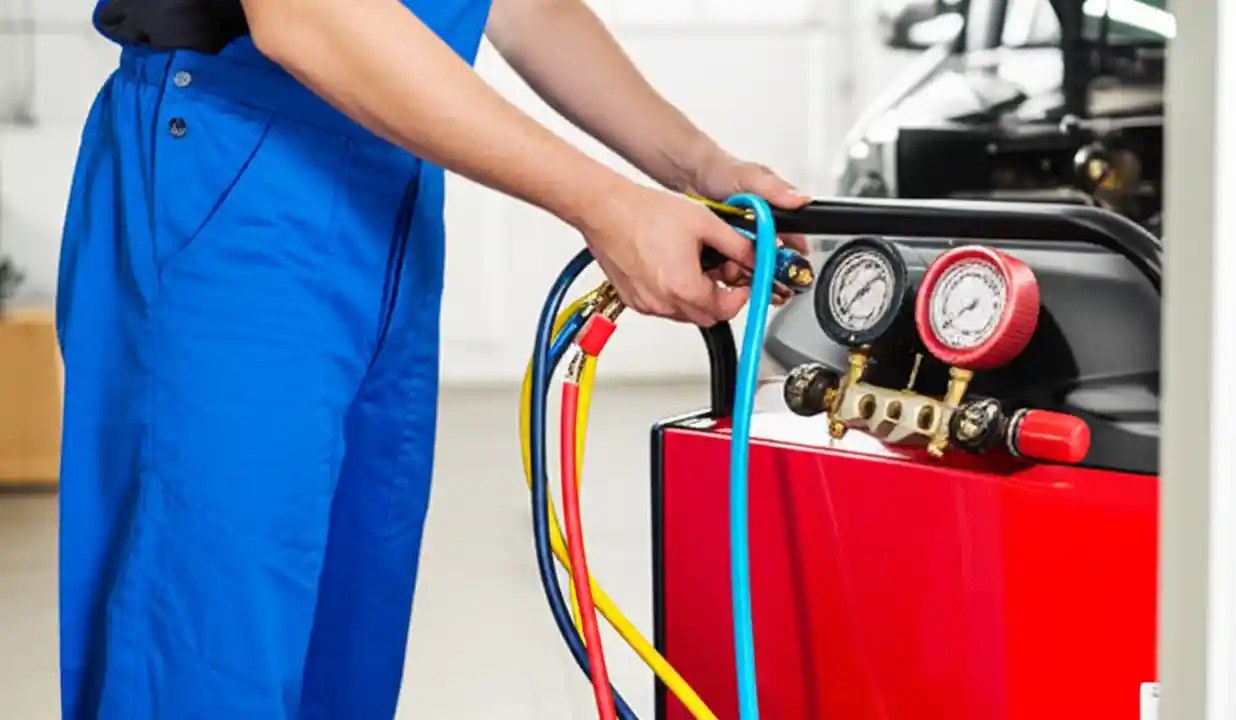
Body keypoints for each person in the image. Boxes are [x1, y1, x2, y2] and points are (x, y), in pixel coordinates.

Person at [56, 0, 810, 717]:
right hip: (231, 177)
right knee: (209, 642)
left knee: (348, 645)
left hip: (387, 193)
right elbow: (305, 17)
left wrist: (698, 164)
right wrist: (606, 204)